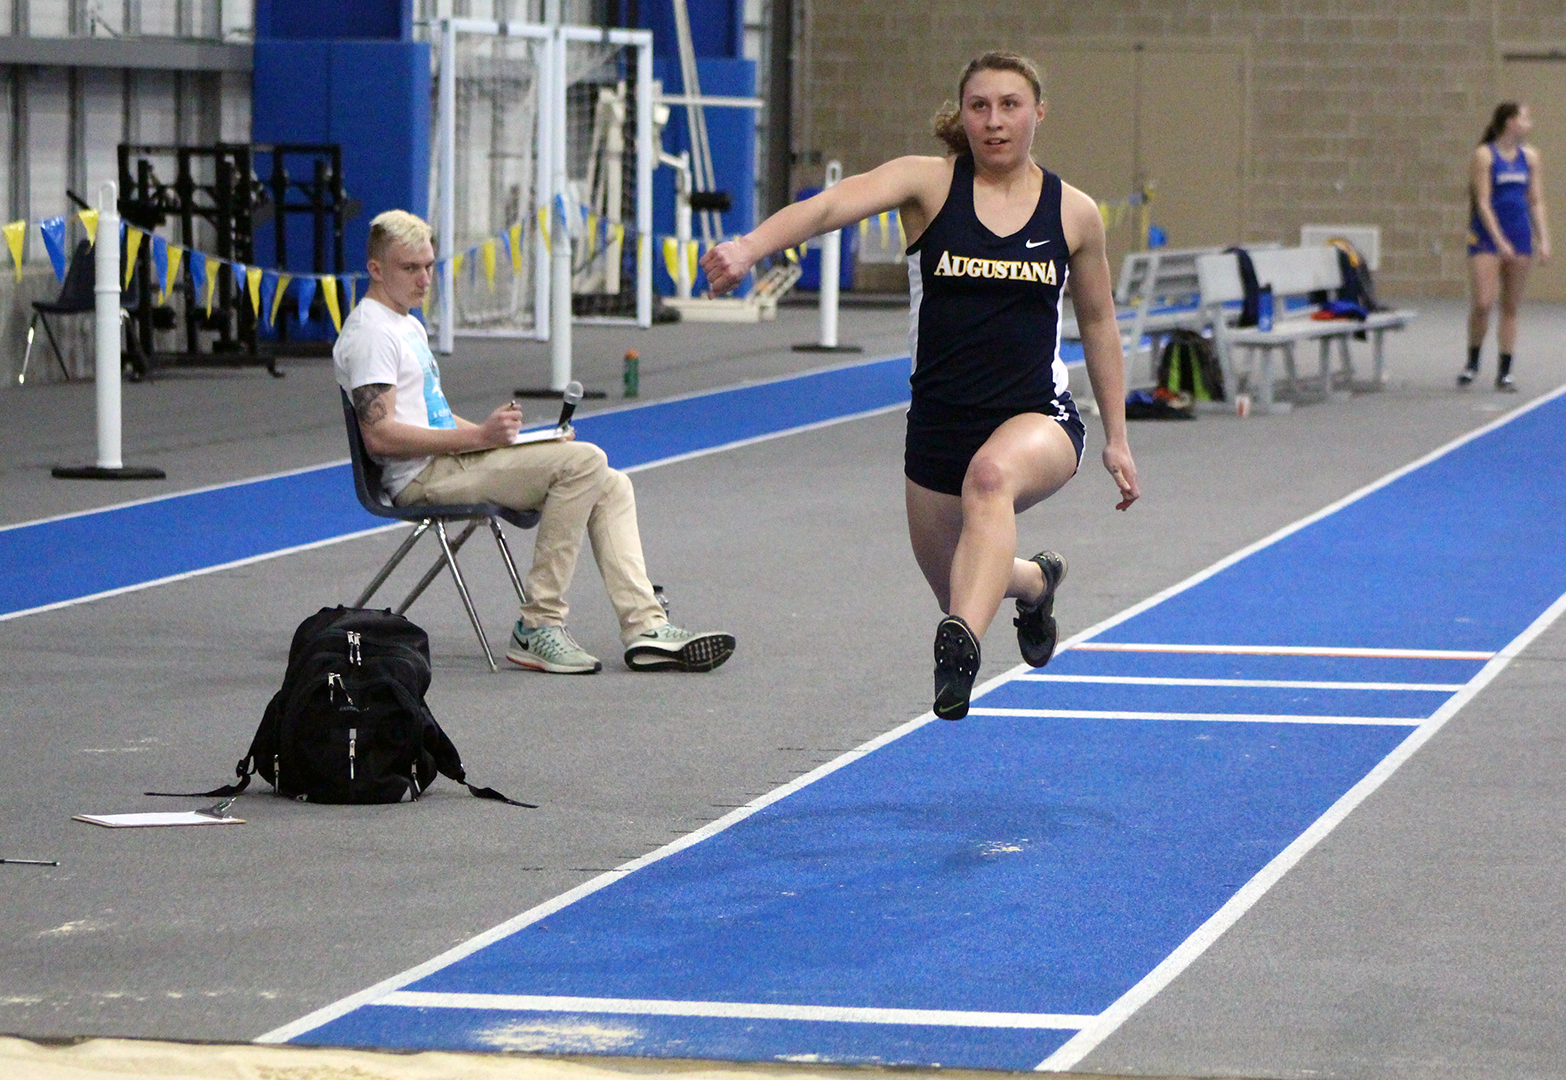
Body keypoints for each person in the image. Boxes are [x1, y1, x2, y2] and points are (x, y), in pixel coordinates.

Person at [701, 50, 1140, 720]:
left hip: (1038, 419)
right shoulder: (928, 185)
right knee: (959, 582)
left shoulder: (1072, 213)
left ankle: (960, 650)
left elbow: (1100, 321)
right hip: (938, 425)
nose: (994, 121)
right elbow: (829, 207)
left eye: (1011, 105)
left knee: (990, 481)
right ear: (962, 115)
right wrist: (748, 247)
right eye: (980, 106)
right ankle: (1034, 583)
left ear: (1038, 114)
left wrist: (1118, 437)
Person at [336, 209, 734, 675]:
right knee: (585, 461)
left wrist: (509, 440)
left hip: (450, 463)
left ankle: (645, 627)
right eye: (410, 268)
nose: (424, 279)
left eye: (428, 266)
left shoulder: (407, 324)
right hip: (422, 479)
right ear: (376, 269)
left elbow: (432, 415)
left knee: (610, 483)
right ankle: (538, 625)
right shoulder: (371, 333)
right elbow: (380, 436)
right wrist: (479, 437)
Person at [1461, 101, 1551, 392]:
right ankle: (1472, 360)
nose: (1530, 124)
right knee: (1483, 303)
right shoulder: (1484, 155)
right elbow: (1483, 202)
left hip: (1519, 235)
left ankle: (1505, 371)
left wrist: (1544, 239)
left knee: (1510, 305)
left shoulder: (1531, 157)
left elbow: (1535, 200)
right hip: (1487, 237)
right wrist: (1499, 240)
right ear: (1510, 122)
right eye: (1525, 118)